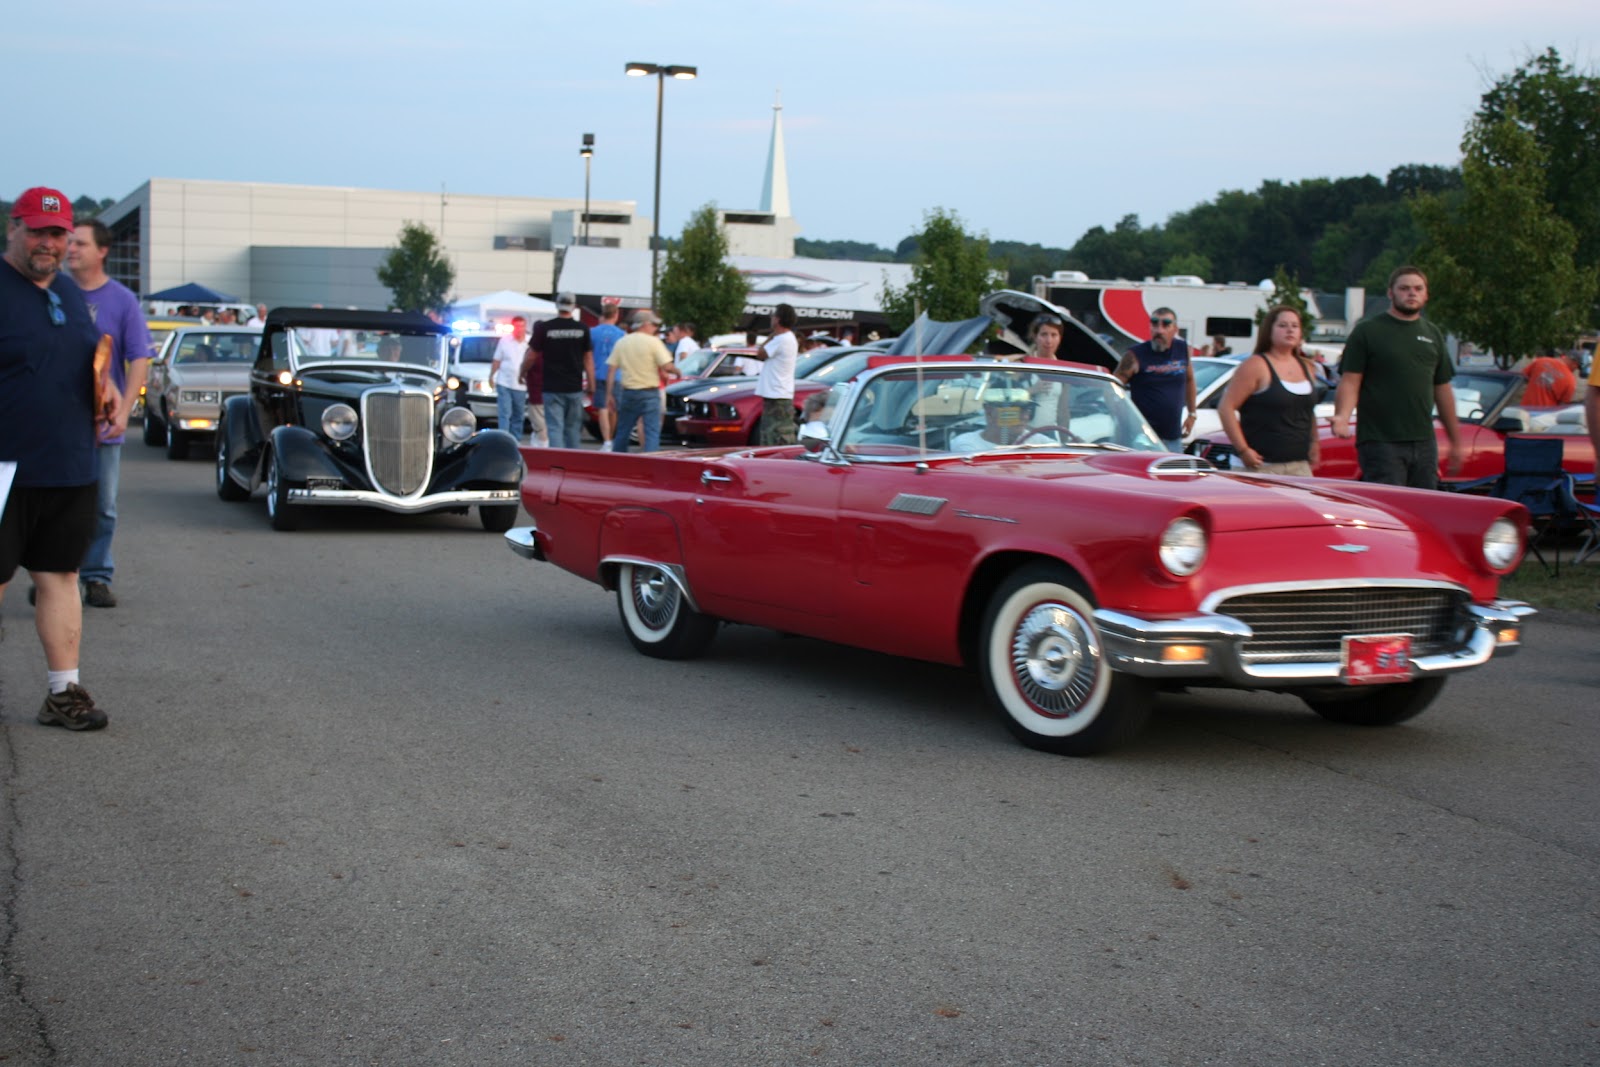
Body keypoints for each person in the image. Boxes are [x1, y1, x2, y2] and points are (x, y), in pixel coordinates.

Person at [0, 186, 110, 729]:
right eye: (38, 230)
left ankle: (62, 692)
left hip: (69, 465)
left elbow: (84, 362)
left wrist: (107, 390)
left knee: (60, 576)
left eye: (58, 233)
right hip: (3, 468)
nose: (49, 242)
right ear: (12, 229)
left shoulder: (68, 292)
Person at [65, 218, 152, 609]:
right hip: (57, 423)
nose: (70, 249)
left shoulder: (122, 300)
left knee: (102, 505)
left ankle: (96, 576)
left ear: (102, 250)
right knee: (54, 502)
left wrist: (126, 409)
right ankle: (55, 572)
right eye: (69, 242)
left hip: (102, 424)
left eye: (80, 243)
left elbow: (139, 357)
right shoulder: (55, 294)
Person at [1331, 266, 1461, 489]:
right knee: (1392, 509)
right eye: (1404, 288)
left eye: (1418, 289)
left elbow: (1442, 389)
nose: (1412, 293)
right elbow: (1351, 381)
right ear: (1390, 293)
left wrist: (1456, 441)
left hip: (1423, 441)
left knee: (1425, 508)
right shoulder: (1367, 331)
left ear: (1426, 294)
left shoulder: (1433, 333)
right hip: (1380, 440)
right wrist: (1342, 416)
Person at [1216, 306, 1321, 476]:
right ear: (1269, 330)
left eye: (1295, 326)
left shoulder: (1307, 367)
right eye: (1283, 325)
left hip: (1298, 465)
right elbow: (1226, 408)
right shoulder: (1256, 366)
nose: (1289, 330)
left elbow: (1308, 411)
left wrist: (1315, 442)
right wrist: (1243, 450)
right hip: (1261, 466)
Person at [1115, 306, 1197, 451]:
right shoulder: (1135, 355)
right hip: (1142, 438)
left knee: (1173, 474)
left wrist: (1192, 413)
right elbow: (1113, 387)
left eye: (1166, 324)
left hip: (1173, 437)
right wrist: (1125, 420)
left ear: (1175, 329)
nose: (1159, 330)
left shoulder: (1182, 349)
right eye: (1154, 324)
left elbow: (1189, 380)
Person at [521, 292, 592, 449]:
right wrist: (591, 384)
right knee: (573, 427)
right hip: (574, 386)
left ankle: (558, 462)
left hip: (552, 386)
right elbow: (588, 358)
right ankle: (574, 460)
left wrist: (522, 372)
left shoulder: (545, 328)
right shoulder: (582, 329)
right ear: (573, 306)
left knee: (554, 427)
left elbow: (531, 355)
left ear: (557, 305)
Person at [606, 309, 679, 452]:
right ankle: (651, 462)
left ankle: (617, 460)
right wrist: (677, 370)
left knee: (623, 431)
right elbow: (666, 366)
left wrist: (609, 394)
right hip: (649, 392)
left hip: (628, 392)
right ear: (645, 324)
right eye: (654, 325)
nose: (655, 328)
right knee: (652, 431)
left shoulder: (622, 342)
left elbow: (612, 369)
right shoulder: (653, 342)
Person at [746, 303, 800, 445]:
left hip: (777, 394)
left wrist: (771, 336)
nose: (771, 318)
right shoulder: (788, 338)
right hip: (779, 393)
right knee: (777, 432)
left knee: (772, 435)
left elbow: (761, 354)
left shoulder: (781, 339)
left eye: (773, 316)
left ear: (778, 319)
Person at [950, 388, 1042, 451]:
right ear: (989, 413)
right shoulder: (968, 444)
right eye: (1015, 411)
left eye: (1027, 411)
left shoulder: (1035, 440)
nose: (1025, 417)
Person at [589, 300, 625, 449]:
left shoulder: (593, 332)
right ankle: (612, 436)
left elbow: (588, 353)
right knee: (614, 408)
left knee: (602, 408)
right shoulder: (622, 334)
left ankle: (606, 440)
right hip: (617, 375)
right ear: (616, 315)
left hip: (598, 372)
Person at [488, 317, 529, 441]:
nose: (519, 329)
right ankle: (503, 439)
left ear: (525, 327)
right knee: (504, 413)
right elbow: (497, 360)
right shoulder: (505, 341)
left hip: (521, 385)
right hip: (504, 382)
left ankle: (516, 440)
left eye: (522, 326)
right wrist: (491, 376)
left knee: (518, 414)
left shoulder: (529, 342)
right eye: (517, 326)